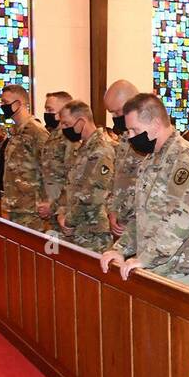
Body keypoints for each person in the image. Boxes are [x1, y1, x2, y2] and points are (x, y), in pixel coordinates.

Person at [99, 93, 189, 289]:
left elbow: (181, 218)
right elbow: (142, 215)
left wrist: (146, 258)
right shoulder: (151, 159)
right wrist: (120, 249)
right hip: (156, 266)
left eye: (135, 130)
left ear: (155, 123)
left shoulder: (187, 158)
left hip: (185, 269)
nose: (132, 137)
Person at [53, 101, 116, 252]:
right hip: (76, 229)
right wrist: (61, 212)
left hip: (92, 233)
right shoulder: (82, 148)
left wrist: (68, 221)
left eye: (66, 123)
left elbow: (93, 194)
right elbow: (69, 185)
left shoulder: (101, 150)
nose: (62, 128)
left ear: (81, 121)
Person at [0, 84, 50, 231]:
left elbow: (48, 168)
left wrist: (47, 202)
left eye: (6, 103)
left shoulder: (36, 132)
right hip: (14, 205)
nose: (3, 106)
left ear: (19, 104)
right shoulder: (15, 131)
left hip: (31, 210)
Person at [102, 80, 142, 239]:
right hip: (122, 229)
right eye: (112, 114)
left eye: (118, 112)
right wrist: (112, 211)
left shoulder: (150, 141)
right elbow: (117, 181)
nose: (115, 118)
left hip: (142, 230)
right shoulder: (125, 139)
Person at [39, 90, 74, 227]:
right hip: (49, 209)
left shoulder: (70, 138)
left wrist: (55, 206)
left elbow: (72, 178)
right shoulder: (52, 136)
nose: (47, 114)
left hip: (63, 211)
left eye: (50, 109)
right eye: (46, 109)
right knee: (50, 248)